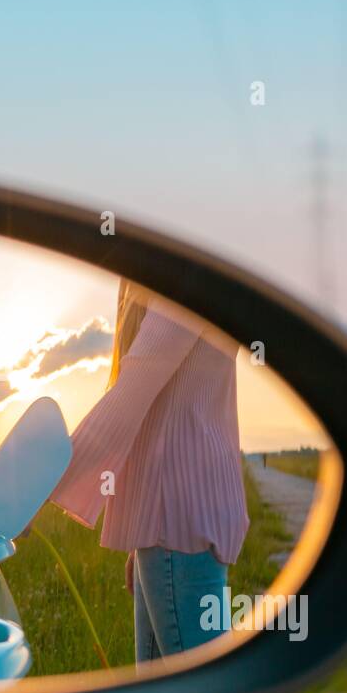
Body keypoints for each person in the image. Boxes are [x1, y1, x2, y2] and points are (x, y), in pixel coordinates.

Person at [50, 281, 248, 662]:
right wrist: (147, 536)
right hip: (175, 530)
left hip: (179, 525)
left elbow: (131, 392)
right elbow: (165, 408)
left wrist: (34, 490)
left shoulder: (183, 282)